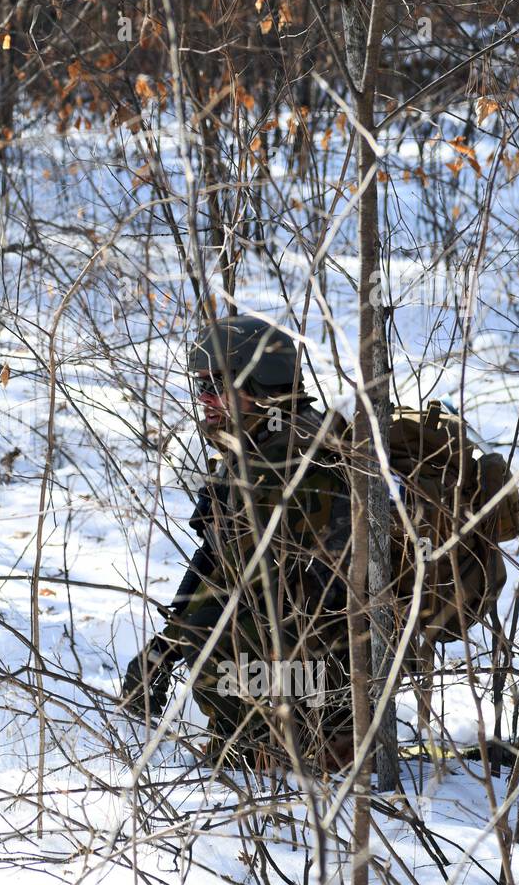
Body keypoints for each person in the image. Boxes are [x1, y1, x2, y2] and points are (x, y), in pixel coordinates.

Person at [120, 315, 355, 771]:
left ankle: (303, 744)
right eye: (200, 385)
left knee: (210, 635)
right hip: (301, 650)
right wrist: (163, 649)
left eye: (217, 385)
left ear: (262, 389)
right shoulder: (254, 448)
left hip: (335, 666)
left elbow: (325, 602)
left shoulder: (301, 461)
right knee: (205, 629)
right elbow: (216, 565)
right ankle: (265, 738)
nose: (204, 399)